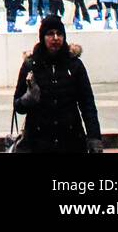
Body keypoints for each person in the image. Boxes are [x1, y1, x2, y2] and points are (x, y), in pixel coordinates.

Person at [11, 14, 103, 154]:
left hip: (71, 139)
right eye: (50, 34)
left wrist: (94, 138)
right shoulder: (30, 65)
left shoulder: (75, 65)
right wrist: (28, 98)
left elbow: (87, 104)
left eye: (59, 33)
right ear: (42, 37)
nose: (55, 38)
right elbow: (17, 106)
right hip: (38, 141)